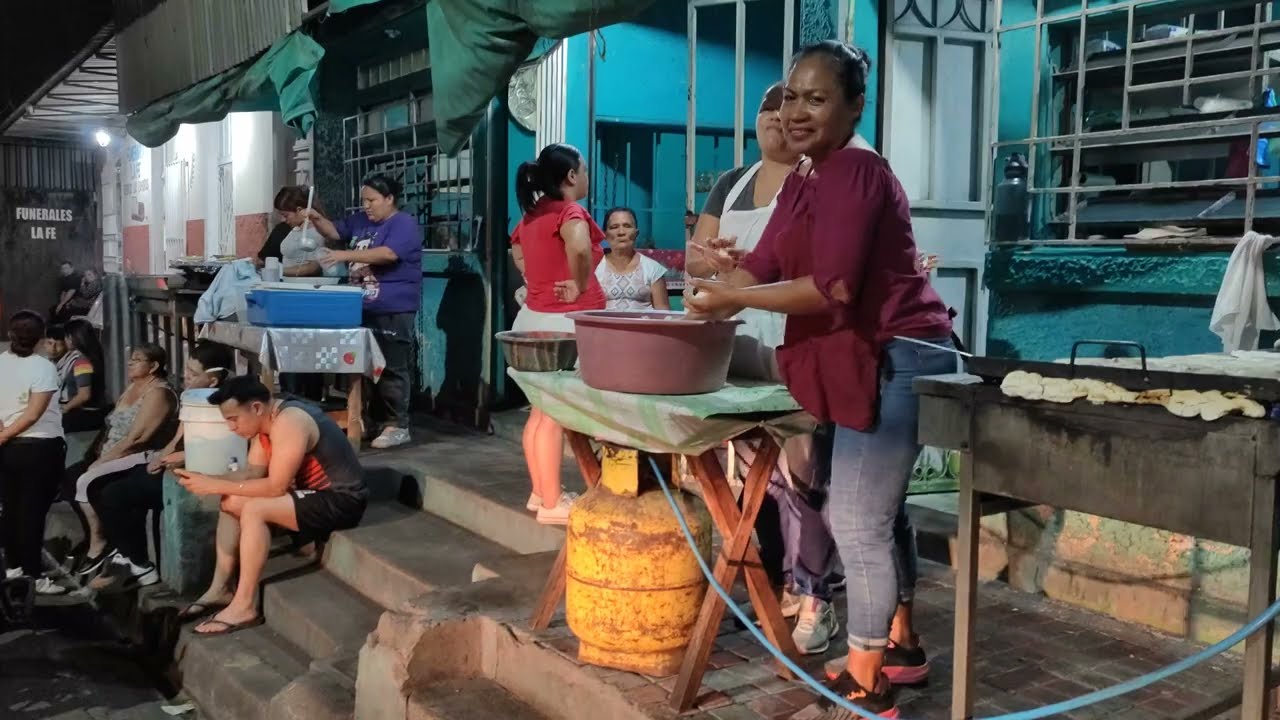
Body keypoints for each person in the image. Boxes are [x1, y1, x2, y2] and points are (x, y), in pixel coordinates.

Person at [685, 41, 956, 716]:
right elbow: (765, 262)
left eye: (817, 98)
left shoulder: (857, 172)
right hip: (861, 356)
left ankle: (867, 682)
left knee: (856, 520)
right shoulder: (809, 174)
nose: (796, 112)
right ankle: (901, 647)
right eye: (789, 97)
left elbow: (832, 288)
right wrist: (719, 283)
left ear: (854, 106)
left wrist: (735, 297)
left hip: (897, 355)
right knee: (879, 514)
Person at [687, 82, 844, 656]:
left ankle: (816, 594)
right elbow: (698, 258)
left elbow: (821, 273)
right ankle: (777, 580)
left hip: (796, 347)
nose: (778, 119)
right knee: (758, 477)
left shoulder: (821, 179)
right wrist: (715, 266)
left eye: (790, 109)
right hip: (738, 347)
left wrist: (741, 283)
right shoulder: (732, 182)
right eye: (768, 110)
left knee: (805, 470)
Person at [174, 376, 367, 634]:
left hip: (341, 500)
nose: (231, 427)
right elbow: (253, 473)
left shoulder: (290, 421)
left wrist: (214, 485)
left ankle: (244, 606)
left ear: (256, 408)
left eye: (233, 419)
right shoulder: (266, 422)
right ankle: (220, 589)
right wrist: (204, 479)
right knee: (231, 500)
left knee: (255, 510)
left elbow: (275, 487)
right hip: (307, 496)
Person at [509, 143, 606, 525]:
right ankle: (552, 504)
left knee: (540, 413)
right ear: (571, 176)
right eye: (585, 169)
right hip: (562, 326)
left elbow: (517, 252)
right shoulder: (569, 212)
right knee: (552, 416)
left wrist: (536, 279)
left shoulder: (533, 214)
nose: (587, 176)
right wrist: (579, 284)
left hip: (534, 320)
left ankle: (541, 492)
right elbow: (580, 249)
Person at [88, 343, 233, 592]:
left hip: (198, 474)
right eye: (186, 370)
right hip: (171, 467)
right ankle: (126, 552)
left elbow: (226, 448)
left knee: (115, 494)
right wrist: (161, 459)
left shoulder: (226, 405)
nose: (186, 377)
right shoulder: (191, 399)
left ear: (212, 380)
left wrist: (181, 457)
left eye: (193, 373)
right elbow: (176, 439)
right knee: (103, 483)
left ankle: (138, 563)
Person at [314, 174, 423, 450]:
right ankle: (370, 421)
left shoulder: (403, 224)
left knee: (390, 366)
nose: (366, 206)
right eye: (364, 200)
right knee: (363, 367)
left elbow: (388, 254)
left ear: (389, 199)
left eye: (372, 200)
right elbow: (334, 231)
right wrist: (314, 217)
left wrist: (344, 256)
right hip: (360, 307)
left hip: (392, 307)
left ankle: (397, 425)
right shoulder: (361, 221)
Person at [65, 343, 178, 580]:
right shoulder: (132, 387)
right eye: (131, 359)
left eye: (137, 360)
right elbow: (112, 424)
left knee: (88, 481)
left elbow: (137, 439)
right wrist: (95, 454)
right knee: (69, 478)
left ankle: (100, 543)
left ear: (153, 366)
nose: (130, 363)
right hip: (110, 452)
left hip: (135, 456)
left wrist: (103, 461)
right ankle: (95, 535)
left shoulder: (158, 394)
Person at [0, 311, 67, 596]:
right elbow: (33, 414)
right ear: (41, 338)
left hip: (9, 448)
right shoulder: (43, 367)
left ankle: (14, 568)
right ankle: (33, 576)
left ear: (10, 335)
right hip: (39, 447)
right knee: (32, 513)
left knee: (11, 509)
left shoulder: (1, 362)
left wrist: (3, 435)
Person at [595, 207, 670, 311]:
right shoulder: (594, 268)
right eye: (614, 227)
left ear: (636, 233)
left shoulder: (653, 269)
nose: (621, 232)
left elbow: (663, 313)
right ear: (605, 234)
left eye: (627, 226)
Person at [48, 320, 107, 433]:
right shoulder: (89, 356)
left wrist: (64, 408)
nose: (65, 340)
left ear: (72, 338)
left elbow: (84, 395)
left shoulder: (81, 362)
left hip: (85, 414)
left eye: (66, 337)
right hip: (86, 412)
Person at [272, 186, 345, 279]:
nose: (283, 220)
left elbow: (313, 267)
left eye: (286, 215)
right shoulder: (296, 228)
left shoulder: (316, 232)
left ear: (299, 210)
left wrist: (280, 271)